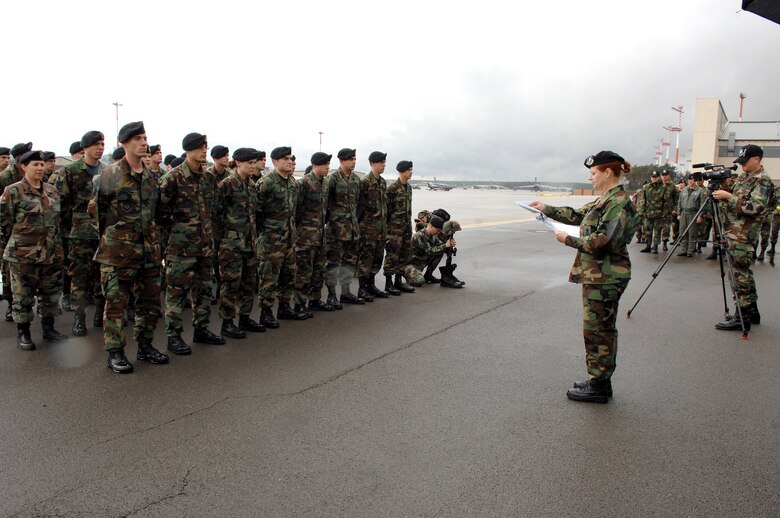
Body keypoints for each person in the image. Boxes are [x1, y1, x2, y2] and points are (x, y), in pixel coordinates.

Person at [530, 151, 639, 404]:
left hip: (606, 276)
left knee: (599, 330)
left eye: (593, 173)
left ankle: (600, 385)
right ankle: (599, 379)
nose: (590, 177)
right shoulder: (607, 199)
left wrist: (568, 239)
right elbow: (579, 215)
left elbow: (603, 241)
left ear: (608, 172)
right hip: (599, 275)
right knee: (596, 329)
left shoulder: (617, 202)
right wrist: (547, 209)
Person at [89, 121, 168, 373]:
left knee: (150, 303)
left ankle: (145, 346)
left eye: (145, 138)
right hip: (117, 254)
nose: (144, 143)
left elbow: (157, 213)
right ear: (125, 143)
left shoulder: (152, 177)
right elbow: (96, 214)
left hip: (148, 252)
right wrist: (115, 239)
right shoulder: (109, 175)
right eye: (138, 139)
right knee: (116, 304)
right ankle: (115, 353)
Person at [159, 132, 226, 354]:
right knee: (176, 293)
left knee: (204, 290)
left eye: (206, 146)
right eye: (199, 147)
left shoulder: (208, 179)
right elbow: (160, 214)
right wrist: (177, 235)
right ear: (188, 150)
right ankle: (174, 336)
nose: (204, 150)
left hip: (204, 246)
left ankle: (201, 328)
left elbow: (212, 210)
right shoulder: (173, 178)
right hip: (180, 249)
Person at [0, 150, 69, 350]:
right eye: (35, 165)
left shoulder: (51, 191)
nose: (39, 168)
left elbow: (58, 222)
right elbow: (4, 222)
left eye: (41, 164)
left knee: (51, 293)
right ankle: (24, 332)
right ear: (23, 167)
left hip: (51, 253)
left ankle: (49, 329)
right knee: (23, 295)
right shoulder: (12, 191)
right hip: (23, 254)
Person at [712, 144, 775, 331]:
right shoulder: (744, 178)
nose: (742, 165)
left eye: (745, 161)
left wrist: (728, 197)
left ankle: (742, 316)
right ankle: (751, 312)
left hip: (743, 235)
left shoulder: (762, 180)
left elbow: (755, 207)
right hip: (734, 232)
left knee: (738, 275)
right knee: (743, 273)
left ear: (757, 159)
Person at [55, 130, 105, 336]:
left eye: (102, 144)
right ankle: (79, 318)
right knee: (79, 277)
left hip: (102, 233)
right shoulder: (70, 171)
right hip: (79, 233)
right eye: (96, 144)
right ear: (85, 148)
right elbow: (61, 204)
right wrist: (69, 231)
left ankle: (99, 314)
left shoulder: (107, 171)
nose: (100, 147)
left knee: (102, 276)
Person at [215, 148, 265, 338]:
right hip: (231, 245)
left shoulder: (252, 186)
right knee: (231, 285)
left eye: (254, 163)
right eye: (249, 163)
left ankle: (244, 317)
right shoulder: (226, 185)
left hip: (249, 243)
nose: (253, 166)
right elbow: (216, 214)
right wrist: (221, 242)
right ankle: (227, 323)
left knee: (248, 283)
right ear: (238, 163)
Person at [255, 146, 303, 324]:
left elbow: (295, 211)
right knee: (269, 277)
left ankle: (284, 307)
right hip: (271, 240)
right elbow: (257, 213)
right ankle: (266, 311)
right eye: (285, 159)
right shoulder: (266, 183)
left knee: (289, 274)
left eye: (291, 158)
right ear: (275, 162)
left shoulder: (293, 183)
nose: (290, 161)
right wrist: (265, 234)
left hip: (290, 238)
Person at [294, 152, 334, 313]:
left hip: (320, 235)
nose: (327, 168)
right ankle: (299, 303)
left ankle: (315, 299)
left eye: (328, 164)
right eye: (325, 164)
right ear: (316, 164)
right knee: (304, 272)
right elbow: (296, 209)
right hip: (305, 237)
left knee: (319, 271)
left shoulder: (325, 183)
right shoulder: (304, 183)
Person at [324, 148, 364, 306]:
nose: (354, 162)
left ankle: (346, 292)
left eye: (355, 159)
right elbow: (325, 203)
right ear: (341, 161)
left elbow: (360, 204)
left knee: (350, 262)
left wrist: (354, 220)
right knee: (333, 263)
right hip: (336, 231)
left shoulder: (356, 180)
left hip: (353, 230)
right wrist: (333, 220)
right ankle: (331, 295)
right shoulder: (332, 179)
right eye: (351, 159)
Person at [0, 142, 33, 321]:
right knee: (8, 270)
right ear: (18, 157)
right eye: (25, 153)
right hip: (6, 230)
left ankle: (24, 304)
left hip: (27, 231)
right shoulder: (6, 177)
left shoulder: (31, 174)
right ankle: (10, 304)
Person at [356, 151, 390, 301]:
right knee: (365, 259)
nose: (384, 165)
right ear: (372, 163)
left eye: (384, 162)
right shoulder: (364, 182)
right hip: (367, 230)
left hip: (381, 229)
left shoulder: (382, 183)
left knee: (377, 259)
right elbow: (358, 207)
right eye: (381, 162)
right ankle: (362, 289)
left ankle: (371, 285)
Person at [383, 160, 416, 295]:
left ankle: (398, 281)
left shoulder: (409, 188)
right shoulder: (392, 189)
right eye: (409, 170)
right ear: (402, 171)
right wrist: (388, 229)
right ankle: (388, 283)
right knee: (392, 255)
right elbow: (386, 210)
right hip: (394, 229)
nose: (411, 172)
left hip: (406, 228)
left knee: (404, 254)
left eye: (411, 169)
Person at [403, 215, 455, 287]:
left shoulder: (432, 236)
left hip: (421, 264)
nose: (439, 232)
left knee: (440, 251)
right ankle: (409, 276)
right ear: (431, 226)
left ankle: (428, 275)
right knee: (419, 281)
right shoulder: (420, 235)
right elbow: (429, 250)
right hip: (411, 265)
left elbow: (440, 245)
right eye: (438, 230)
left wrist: (450, 244)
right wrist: (445, 245)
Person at [676, 173, 704, 258]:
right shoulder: (684, 190)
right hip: (684, 212)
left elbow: (703, 204)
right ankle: (684, 249)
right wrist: (678, 213)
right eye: (689, 179)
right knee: (683, 231)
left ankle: (690, 250)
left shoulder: (700, 190)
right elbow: (679, 202)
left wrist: (700, 215)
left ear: (695, 180)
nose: (690, 181)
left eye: (692, 179)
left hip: (693, 213)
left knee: (692, 232)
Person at [639, 171, 665, 254]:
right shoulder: (647, 187)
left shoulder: (663, 187)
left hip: (659, 213)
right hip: (648, 212)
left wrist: (665, 212)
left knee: (657, 230)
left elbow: (666, 201)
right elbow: (643, 200)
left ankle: (656, 246)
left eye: (656, 177)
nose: (654, 178)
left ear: (659, 177)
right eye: (653, 177)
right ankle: (648, 246)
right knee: (648, 230)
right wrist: (641, 211)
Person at [660, 170, 678, 250]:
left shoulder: (672, 186)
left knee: (666, 228)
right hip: (657, 210)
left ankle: (664, 243)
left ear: (668, 176)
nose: (664, 176)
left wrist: (675, 209)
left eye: (666, 175)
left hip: (667, 210)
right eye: (663, 175)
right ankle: (655, 244)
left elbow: (676, 199)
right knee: (656, 228)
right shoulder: (657, 184)